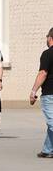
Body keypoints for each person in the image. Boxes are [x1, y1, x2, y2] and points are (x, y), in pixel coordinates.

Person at [29, 28, 53, 158]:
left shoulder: (47, 54)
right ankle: (48, 149)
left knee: (52, 122)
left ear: (50, 37)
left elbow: (43, 73)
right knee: (51, 122)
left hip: (50, 94)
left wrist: (33, 91)